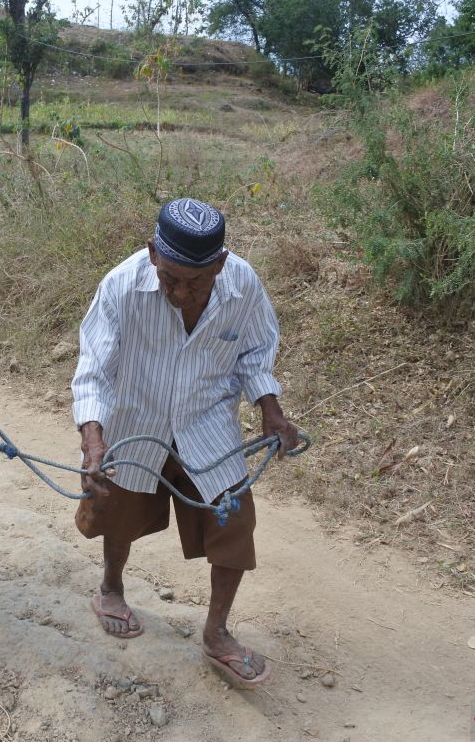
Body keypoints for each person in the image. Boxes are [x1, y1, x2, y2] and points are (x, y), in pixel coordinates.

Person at [71, 197, 299, 689]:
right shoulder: (121, 287)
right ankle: (111, 588)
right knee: (119, 509)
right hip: (137, 416)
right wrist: (93, 441)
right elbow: (93, 369)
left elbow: (256, 352)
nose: (179, 292)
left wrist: (271, 410)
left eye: (196, 282)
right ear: (153, 253)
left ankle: (217, 633)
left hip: (206, 422)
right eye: (170, 278)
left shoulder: (242, 285)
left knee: (234, 522)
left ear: (220, 264)